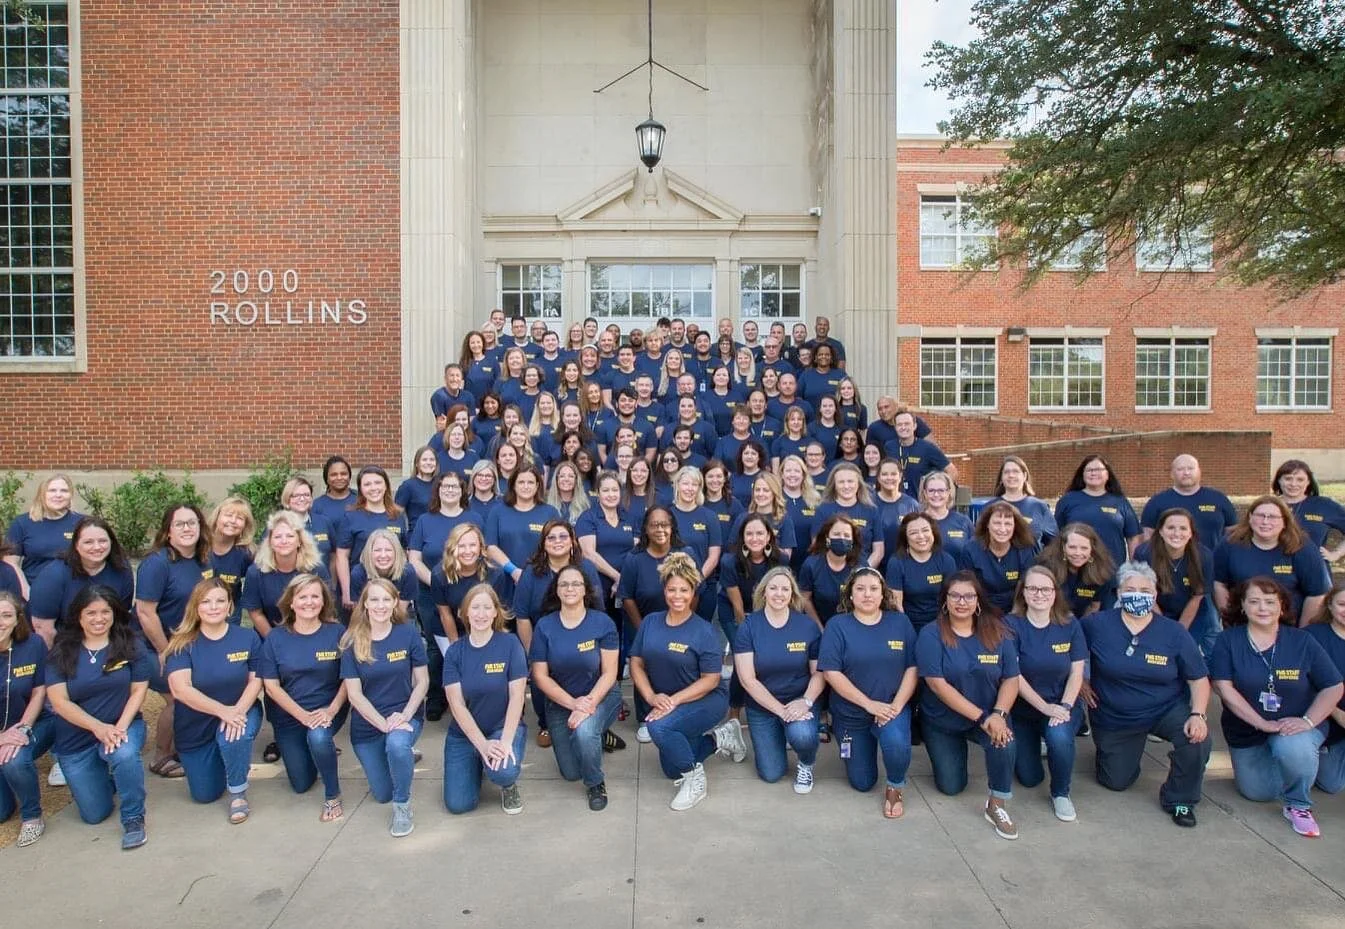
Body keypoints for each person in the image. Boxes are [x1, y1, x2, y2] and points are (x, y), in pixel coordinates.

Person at [1210, 577, 1343, 838]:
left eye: (1270, 602)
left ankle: (1299, 804)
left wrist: (1307, 721)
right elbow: (1224, 688)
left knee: (1294, 747)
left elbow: (1334, 686)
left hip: (1295, 724)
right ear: (1243, 606)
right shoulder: (1228, 640)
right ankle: (1298, 768)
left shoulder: (1301, 641)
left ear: (1281, 607)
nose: (1263, 608)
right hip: (1247, 729)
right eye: (1254, 601)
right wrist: (1262, 723)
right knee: (1259, 793)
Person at [1081, 561, 1211, 827]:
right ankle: (1120, 754)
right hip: (1115, 715)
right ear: (1118, 593)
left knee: (1197, 740)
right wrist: (1081, 682)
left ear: (1154, 595)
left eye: (1144, 590)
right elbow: (1070, 656)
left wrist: (1198, 714)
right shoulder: (1096, 624)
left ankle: (1180, 799)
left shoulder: (1173, 632)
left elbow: (1198, 679)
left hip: (1165, 709)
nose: (1137, 595)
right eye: (1130, 589)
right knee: (1116, 782)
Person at [629, 554, 747, 811]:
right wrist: (651, 697)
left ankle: (695, 779)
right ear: (664, 590)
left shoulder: (703, 631)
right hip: (668, 701)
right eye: (672, 589)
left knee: (658, 729)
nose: (677, 596)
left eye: (684, 590)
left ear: (694, 591)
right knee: (671, 769)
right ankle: (721, 737)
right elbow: (636, 662)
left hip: (706, 699)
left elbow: (711, 679)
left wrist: (673, 701)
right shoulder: (650, 622)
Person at [44, 586, 153, 849]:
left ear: (115, 613)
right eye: (90, 612)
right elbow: (59, 702)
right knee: (95, 814)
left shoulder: (131, 644)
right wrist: (98, 728)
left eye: (105, 611)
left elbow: (139, 689)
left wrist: (118, 728)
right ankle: (110, 781)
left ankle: (134, 817)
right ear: (78, 616)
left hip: (122, 725)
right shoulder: (62, 649)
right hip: (76, 737)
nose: (99, 618)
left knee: (124, 754)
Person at [917, 571, 1022, 840]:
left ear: (978, 601)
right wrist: (983, 717)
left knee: (1004, 740)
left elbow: (1011, 679)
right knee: (951, 787)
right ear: (945, 601)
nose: (961, 601)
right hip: (944, 721)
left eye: (968, 596)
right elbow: (937, 684)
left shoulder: (998, 631)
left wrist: (998, 714)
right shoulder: (931, 634)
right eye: (954, 595)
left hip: (989, 715)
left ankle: (996, 804)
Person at [820, 568, 918, 817]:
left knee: (896, 743)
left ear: (883, 593)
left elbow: (913, 667)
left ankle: (895, 786)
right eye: (860, 589)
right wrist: (868, 705)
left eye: (874, 589)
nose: (867, 594)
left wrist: (895, 706)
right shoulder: (837, 625)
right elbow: (831, 672)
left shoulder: (900, 622)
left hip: (890, 708)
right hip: (851, 715)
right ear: (850, 595)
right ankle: (857, 748)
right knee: (862, 783)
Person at [164, 578, 263, 821]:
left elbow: (256, 680)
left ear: (230, 606)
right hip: (195, 725)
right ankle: (223, 759)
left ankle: (238, 792)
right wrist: (223, 711)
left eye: (220, 600)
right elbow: (180, 690)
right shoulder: (182, 643)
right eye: (206, 601)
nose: (214, 606)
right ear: (195, 607)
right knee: (205, 794)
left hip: (241, 711)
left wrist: (237, 711)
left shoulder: (247, 638)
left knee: (234, 736)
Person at [340, 578, 429, 837]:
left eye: (386, 599)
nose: (380, 605)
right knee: (382, 794)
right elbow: (354, 695)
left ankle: (402, 808)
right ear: (365, 604)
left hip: (404, 716)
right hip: (368, 726)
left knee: (397, 744)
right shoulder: (352, 641)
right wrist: (383, 724)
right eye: (374, 599)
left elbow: (422, 681)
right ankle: (401, 757)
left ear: (395, 602)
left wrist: (405, 716)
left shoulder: (409, 633)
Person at [529, 565, 622, 810]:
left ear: (586, 590)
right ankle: (598, 736)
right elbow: (540, 676)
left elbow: (610, 672)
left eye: (576, 584)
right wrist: (573, 704)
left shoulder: (602, 623)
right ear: (556, 591)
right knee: (571, 772)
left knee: (583, 731)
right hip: (561, 702)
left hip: (601, 696)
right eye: (564, 584)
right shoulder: (544, 626)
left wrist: (588, 703)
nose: (570, 588)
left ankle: (595, 783)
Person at [259, 574, 348, 822]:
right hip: (289, 716)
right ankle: (314, 751)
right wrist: (302, 716)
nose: (309, 602)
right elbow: (272, 686)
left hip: (328, 708)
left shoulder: (337, 632)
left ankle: (332, 795)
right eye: (302, 596)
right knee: (301, 784)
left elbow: (348, 678)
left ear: (323, 601)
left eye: (314, 596)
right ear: (291, 601)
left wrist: (331, 710)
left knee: (319, 736)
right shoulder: (276, 638)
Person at [511, 519, 604, 749]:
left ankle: (590, 717)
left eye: (563, 536)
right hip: (543, 644)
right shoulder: (531, 574)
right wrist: (535, 655)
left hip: (581, 643)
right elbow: (522, 617)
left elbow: (598, 613)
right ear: (543, 544)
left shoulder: (587, 569)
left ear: (573, 541)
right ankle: (546, 724)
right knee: (543, 677)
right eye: (551, 537)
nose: (557, 542)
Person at [1004, 565, 1087, 822]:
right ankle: (1040, 745)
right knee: (1029, 778)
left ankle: (1061, 792)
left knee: (1059, 736)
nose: (1039, 594)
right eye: (1032, 588)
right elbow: (1013, 675)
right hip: (1024, 710)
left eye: (1045, 589)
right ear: (1023, 592)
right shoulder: (1010, 624)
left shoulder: (1070, 624)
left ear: (1055, 592)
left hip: (1062, 704)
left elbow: (1077, 672)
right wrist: (1044, 707)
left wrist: (1063, 706)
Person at [136, 503, 211, 780]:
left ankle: (183, 748)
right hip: (155, 646)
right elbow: (145, 612)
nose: (187, 528)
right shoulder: (157, 564)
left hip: (188, 645)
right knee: (178, 699)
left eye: (192, 523)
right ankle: (161, 756)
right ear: (168, 532)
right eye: (180, 524)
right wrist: (163, 650)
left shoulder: (203, 560)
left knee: (192, 698)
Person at [734, 568, 824, 791]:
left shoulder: (807, 626)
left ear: (792, 595)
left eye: (785, 589)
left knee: (802, 736)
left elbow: (819, 673)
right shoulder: (749, 626)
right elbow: (747, 680)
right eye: (773, 588)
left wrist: (806, 702)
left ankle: (806, 763)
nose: (779, 594)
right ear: (764, 592)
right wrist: (781, 711)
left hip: (799, 701)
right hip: (763, 707)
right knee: (771, 774)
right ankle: (780, 732)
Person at [442, 582, 529, 815]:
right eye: (475, 607)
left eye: (487, 608)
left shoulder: (510, 644)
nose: (481, 614)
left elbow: (517, 696)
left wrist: (506, 742)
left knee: (503, 771)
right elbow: (456, 704)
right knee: (459, 805)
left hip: (502, 729)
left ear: (495, 612)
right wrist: (482, 745)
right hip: (465, 735)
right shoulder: (454, 652)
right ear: (465, 612)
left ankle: (507, 785)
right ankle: (477, 762)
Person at [1214, 496, 1329, 625]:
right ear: (1250, 518)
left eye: (1273, 517)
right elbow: (1219, 583)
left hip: (1289, 626)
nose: (1265, 521)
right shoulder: (1230, 542)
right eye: (1260, 515)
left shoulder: (1303, 548)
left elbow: (1316, 594)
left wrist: (1303, 633)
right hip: (1242, 625)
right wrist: (1229, 620)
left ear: (1285, 522)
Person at [28, 516, 134, 644]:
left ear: (111, 542)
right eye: (88, 542)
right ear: (76, 545)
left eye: (102, 541)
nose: (97, 547)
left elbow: (122, 618)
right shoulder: (53, 575)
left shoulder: (122, 570)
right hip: (64, 646)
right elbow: (43, 628)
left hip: (108, 642)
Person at [0, 592, 52, 846]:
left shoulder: (33, 644)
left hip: (34, 724)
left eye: (6, 615)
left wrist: (21, 730)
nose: (0, 622)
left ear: (17, 618)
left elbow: (39, 691)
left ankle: (32, 817)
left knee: (14, 760)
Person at [1135, 509, 1217, 656]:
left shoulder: (1204, 556)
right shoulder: (1144, 553)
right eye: (1171, 528)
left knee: (1183, 650)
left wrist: (1179, 632)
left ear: (1191, 532)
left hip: (1192, 612)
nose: (1177, 533)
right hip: (1153, 609)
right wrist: (1163, 627)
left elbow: (1197, 597)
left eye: (1183, 528)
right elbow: (1145, 594)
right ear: (1160, 531)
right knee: (1156, 651)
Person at [334, 466, 409, 613]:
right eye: (367, 484)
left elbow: (403, 552)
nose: (373, 488)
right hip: (360, 588)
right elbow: (341, 556)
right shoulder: (351, 516)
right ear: (360, 489)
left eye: (378, 483)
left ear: (386, 485)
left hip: (391, 590)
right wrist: (347, 591)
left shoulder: (397, 516)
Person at [430, 523, 509, 653]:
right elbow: (445, 614)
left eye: (472, 545)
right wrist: (456, 649)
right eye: (461, 546)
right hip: (450, 628)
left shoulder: (495, 573)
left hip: (483, 625)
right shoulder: (439, 574)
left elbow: (496, 612)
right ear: (452, 548)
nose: (467, 551)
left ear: (480, 547)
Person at [484, 467, 560, 602]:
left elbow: (559, 546)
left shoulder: (550, 512)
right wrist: (513, 571)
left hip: (542, 581)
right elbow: (490, 547)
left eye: (530, 482)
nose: (526, 486)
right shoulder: (498, 511)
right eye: (521, 482)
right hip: (505, 582)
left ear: (537, 485)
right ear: (513, 485)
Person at [1053, 455, 1142, 568]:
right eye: (1089, 470)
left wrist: (1134, 569)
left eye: (1099, 470)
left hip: (1112, 571)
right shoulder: (1067, 500)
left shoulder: (1120, 502)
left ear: (1108, 474)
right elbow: (1056, 536)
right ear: (1082, 474)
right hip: (1076, 571)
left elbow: (1133, 537)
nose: (1094, 473)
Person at [3, 473, 82, 598]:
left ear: (70, 495)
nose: (58, 495)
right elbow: (10, 563)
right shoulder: (22, 523)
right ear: (42, 493)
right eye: (52, 490)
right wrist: (27, 592)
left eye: (64, 490)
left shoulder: (82, 523)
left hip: (74, 593)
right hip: (34, 591)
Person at [886, 512, 960, 635]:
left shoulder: (946, 560)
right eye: (913, 533)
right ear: (906, 538)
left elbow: (952, 599)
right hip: (909, 625)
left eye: (925, 530)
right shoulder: (896, 562)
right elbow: (896, 605)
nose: (921, 536)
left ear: (933, 533)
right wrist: (907, 632)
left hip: (941, 624)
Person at [1141, 455, 1238, 546]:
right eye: (1180, 469)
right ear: (1172, 474)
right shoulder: (1157, 502)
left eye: (1191, 468)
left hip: (1214, 562)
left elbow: (1233, 532)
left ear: (1199, 472)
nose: (1186, 473)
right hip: (1170, 563)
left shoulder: (1218, 499)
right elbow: (1147, 535)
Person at [959, 502, 1039, 613]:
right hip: (981, 610)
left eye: (1008, 524)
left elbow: (1027, 587)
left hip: (1016, 610)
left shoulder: (1025, 549)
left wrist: (1014, 616)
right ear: (987, 524)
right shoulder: (971, 550)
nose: (1002, 529)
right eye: (997, 523)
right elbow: (967, 587)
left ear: (1015, 526)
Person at [1273, 459, 1345, 581]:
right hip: (1275, 572)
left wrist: (1336, 554)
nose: (1293, 484)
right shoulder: (1268, 505)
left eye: (1300, 479)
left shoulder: (1324, 505)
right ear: (1279, 480)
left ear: (1308, 482)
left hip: (1315, 573)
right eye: (1288, 478)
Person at [575, 472, 638, 609]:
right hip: (597, 584)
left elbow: (636, 552)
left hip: (627, 584)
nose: (611, 494)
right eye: (605, 490)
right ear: (598, 493)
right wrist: (617, 577)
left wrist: (624, 580)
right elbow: (588, 553)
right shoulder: (588, 518)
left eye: (615, 490)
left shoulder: (629, 518)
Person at [1307, 583, 1345, 795]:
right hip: (1324, 719)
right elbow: (1302, 685)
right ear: (1329, 605)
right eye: (1342, 604)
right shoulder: (1312, 636)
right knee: (1331, 784)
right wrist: (1337, 713)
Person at [1037, 523, 1117, 618]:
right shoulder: (1046, 566)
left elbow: (1094, 607)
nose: (1078, 553)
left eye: (1084, 548)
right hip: (1050, 618)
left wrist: (1078, 629)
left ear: (1092, 549)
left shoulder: (1103, 571)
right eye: (1072, 547)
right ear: (1063, 547)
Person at [815, 462, 883, 568]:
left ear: (859, 483)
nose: (846, 486)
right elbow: (818, 547)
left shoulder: (871, 511)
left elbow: (878, 551)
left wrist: (863, 571)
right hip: (830, 571)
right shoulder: (823, 510)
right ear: (834, 485)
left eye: (850, 481)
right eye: (841, 482)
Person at [799, 514, 861, 627]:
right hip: (820, 625)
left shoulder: (860, 566)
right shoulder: (811, 565)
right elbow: (805, 599)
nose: (842, 538)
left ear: (852, 540)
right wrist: (819, 628)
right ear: (827, 537)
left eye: (846, 535)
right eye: (836, 534)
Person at [206, 496, 256, 626]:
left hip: (229, 614)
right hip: (197, 611)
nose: (233, 521)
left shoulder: (247, 553)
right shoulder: (200, 544)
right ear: (217, 517)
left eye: (240, 518)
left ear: (245, 525)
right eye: (228, 515)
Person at [988, 455, 1057, 544]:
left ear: (1024, 476)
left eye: (1016, 471)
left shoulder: (1039, 506)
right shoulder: (990, 507)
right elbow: (980, 540)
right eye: (1006, 472)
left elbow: (1054, 542)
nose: (1011, 475)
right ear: (1001, 478)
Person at [886, 410, 951, 497]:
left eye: (907, 424)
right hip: (896, 502)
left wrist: (940, 493)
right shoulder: (889, 447)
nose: (903, 427)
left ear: (914, 426)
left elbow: (951, 471)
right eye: (899, 425)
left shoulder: (927, 448)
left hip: (921, 504)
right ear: (895, 428)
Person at [873, 459, 919, 575]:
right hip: (876, 568)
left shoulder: (911, 504)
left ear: (900, 476)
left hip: (905, 568)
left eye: (893, 474)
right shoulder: (869, 503)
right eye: (884, 474)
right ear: (878, 477)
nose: (889, 478)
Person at [278, 476, 336, 568]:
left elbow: (333, 556)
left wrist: (331, 581)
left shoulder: (324, 522)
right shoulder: (277, 525)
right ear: (287, 499)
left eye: (306, 495)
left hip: (322, 580)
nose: (302, 499)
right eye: (296, 495)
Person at [779, 455, 821, 574]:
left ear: (803, 475)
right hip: (780, 563)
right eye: (788, 470)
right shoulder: (774, 498)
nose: (792, 474)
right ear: (782, 474)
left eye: (797, 471)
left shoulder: (815, 500)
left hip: (808, 564)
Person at [918, 470, 973, 560]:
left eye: (941, 490)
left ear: (949, 493)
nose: (936, 494)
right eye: (931, 490)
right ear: (925, 493)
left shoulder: (963, 522)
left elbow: (975, 553)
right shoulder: (916, 522)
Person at [395, 446, 441, 531]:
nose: (428, 462)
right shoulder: (408, 486)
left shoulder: (441, 484)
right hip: (417, 534)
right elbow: (396, 514)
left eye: (432, 460)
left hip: (439, 532)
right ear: (417, 463)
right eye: (424, 460)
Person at [311, 456, 355, 533]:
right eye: (334, 475)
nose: (339, 477)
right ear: (326, 478)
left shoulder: (361, 499)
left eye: (343, 474)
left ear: (349, 476)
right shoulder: (317, 505)